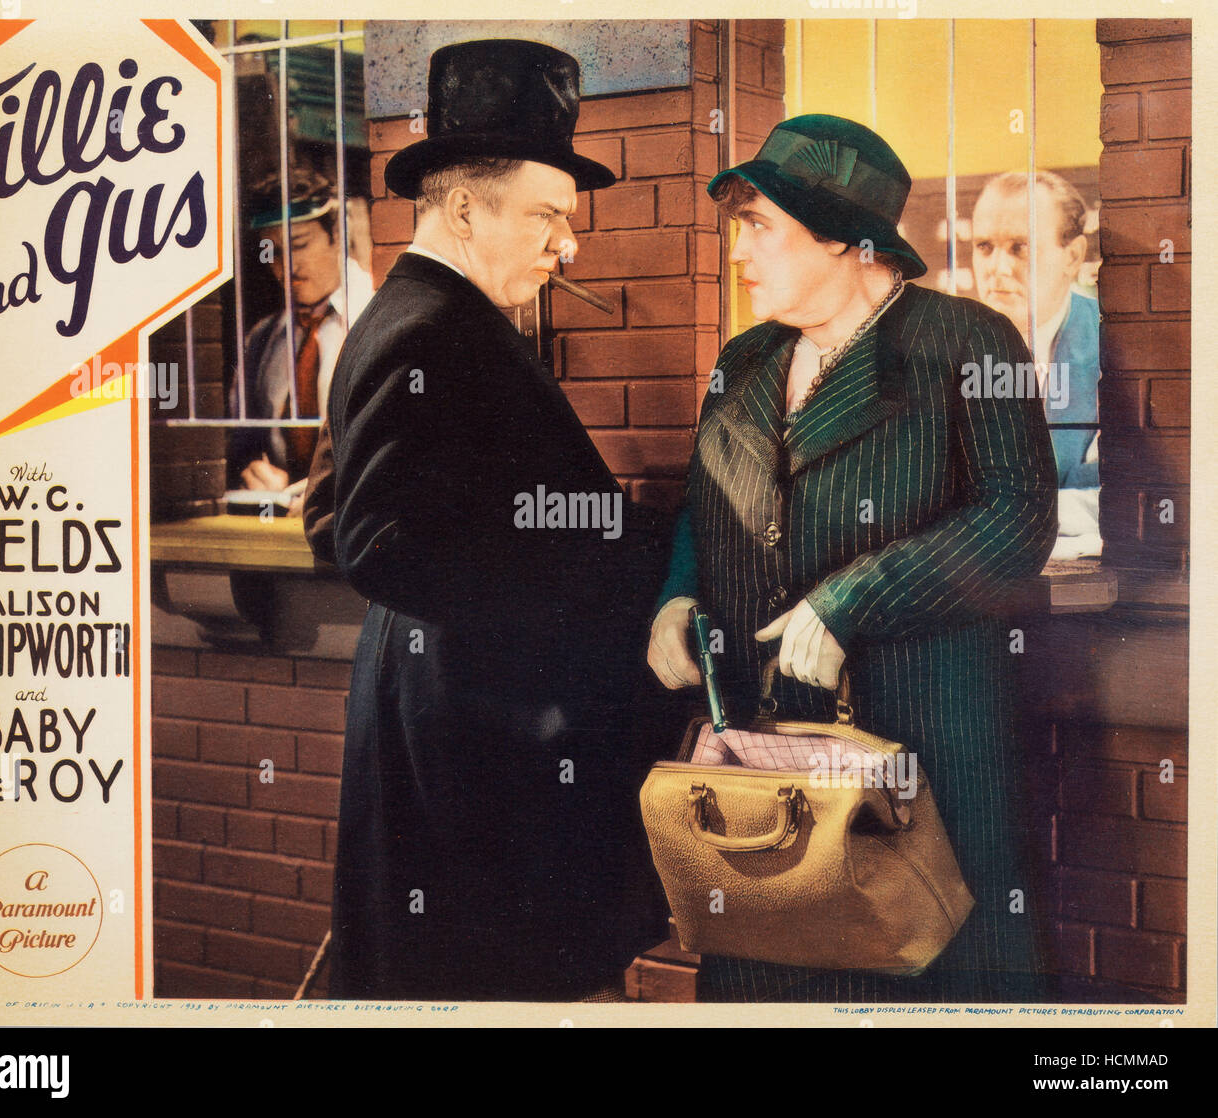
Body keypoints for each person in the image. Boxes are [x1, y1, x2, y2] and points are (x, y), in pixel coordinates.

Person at [647, 114, 1059, 1002]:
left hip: (926, 753)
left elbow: (1017, 521)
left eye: (760, 225)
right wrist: (676, 598)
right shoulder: (744, 357)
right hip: (768, 764)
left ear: (842, 237)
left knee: (927, 984)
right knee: (769, 983)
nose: (739, 252)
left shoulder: (970, 343)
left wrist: (850, 603)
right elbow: (702, 506)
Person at [324, 39, 667, 1001]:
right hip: (469, 756)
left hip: (468, 738)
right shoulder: (430, 330)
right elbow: (382, 544)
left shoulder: (440, 318)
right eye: (549, 215)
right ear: (465, 207)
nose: (571, 244)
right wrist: (603, 568)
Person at [972, 171, 1101, 555]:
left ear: (1073, 256)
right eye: (984, 247)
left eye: (1019, 247)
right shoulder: (936, 347)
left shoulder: (1113, 345)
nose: (998, 268)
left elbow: (1117, 500)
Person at [227, 167, 374, 501]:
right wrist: (251, 468)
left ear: (337, 233)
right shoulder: (262, 339)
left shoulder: (378, 315)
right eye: (274, 252)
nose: (286, 266)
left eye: (300, 245)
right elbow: (241, 441)